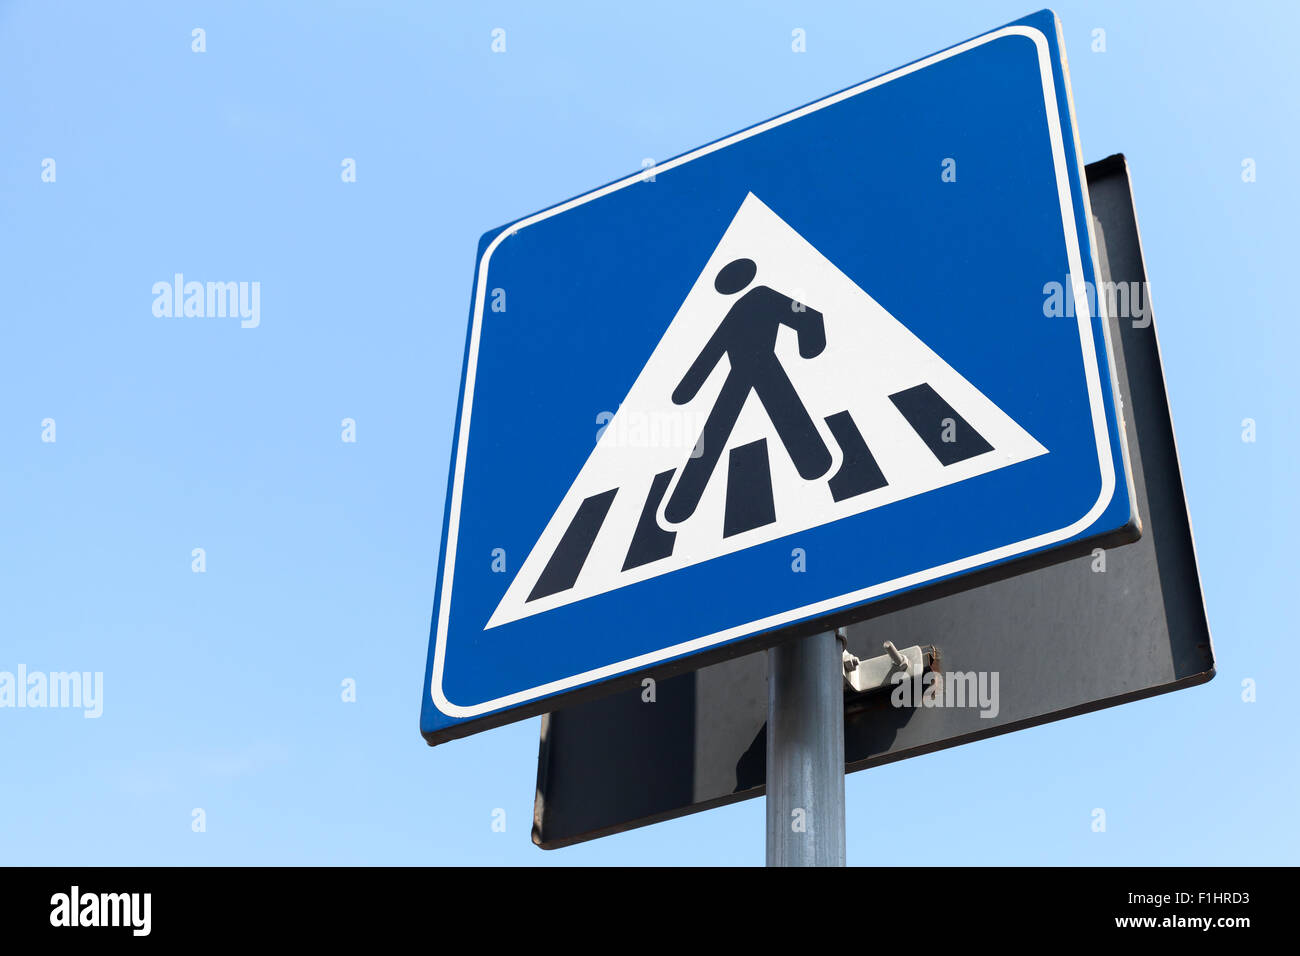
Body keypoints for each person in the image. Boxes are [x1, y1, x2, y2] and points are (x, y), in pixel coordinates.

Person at [664, 257, 832, 524]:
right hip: (746, 371)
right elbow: (713, 351)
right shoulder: (746, 304)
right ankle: (681, 504)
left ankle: (816, 464)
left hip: (761, 366)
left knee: (724, 428)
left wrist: (811, 344)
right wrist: (686, 390)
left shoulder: (761, 297)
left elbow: (806, 316)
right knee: (721, 429)